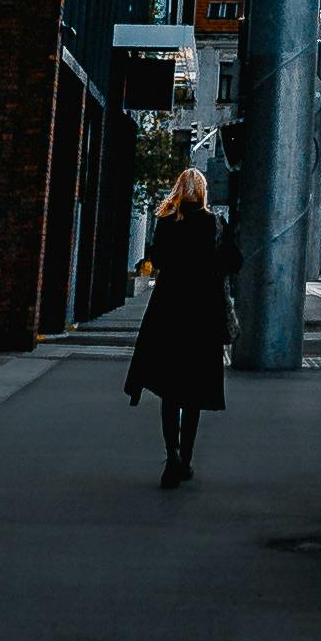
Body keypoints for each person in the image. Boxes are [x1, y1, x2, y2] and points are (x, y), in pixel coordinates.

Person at [124, 167, 228, 485]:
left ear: (179, 190)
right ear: (203, 192)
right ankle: (186, 459)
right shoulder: (213, 223)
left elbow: (158, 258)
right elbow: (231, 260)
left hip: (169, 314)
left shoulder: (167, 222)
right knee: (193, 392)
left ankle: (171, 455)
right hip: (201, 315)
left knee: (170, 391)